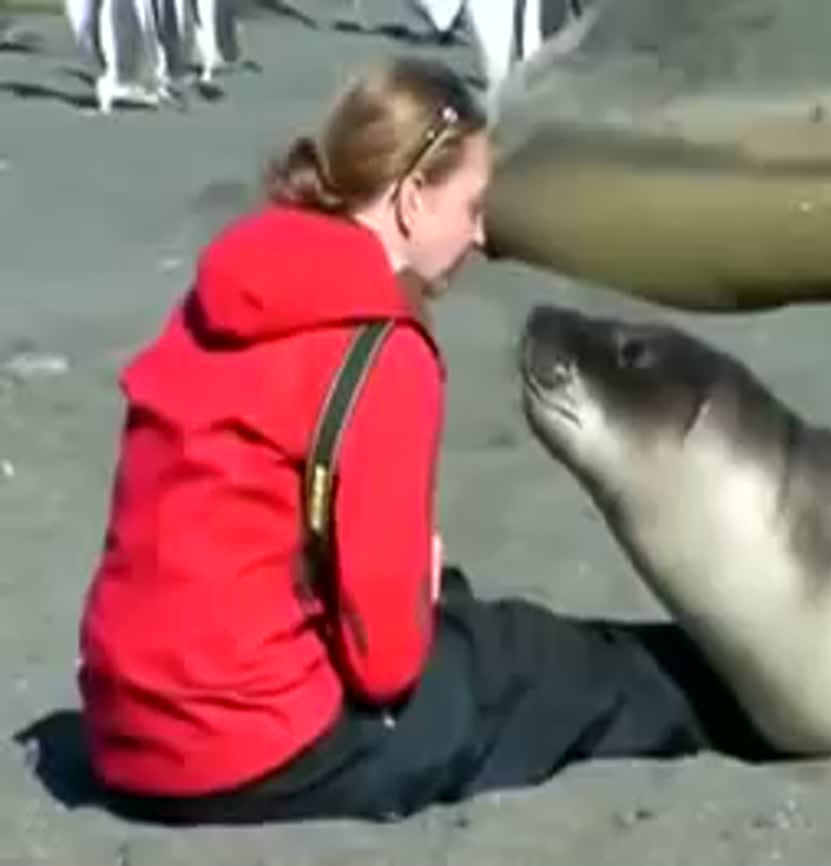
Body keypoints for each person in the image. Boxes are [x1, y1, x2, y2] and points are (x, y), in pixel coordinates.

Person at [76, 55, 773, 826]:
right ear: (410, 199)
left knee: (467, 619)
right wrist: (408, 590)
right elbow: (383, 668)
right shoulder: (382, 351)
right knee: (549, 664)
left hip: (126, 732)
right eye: (470, 205)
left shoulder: (222, 296)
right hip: (256, 751)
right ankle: (761, 704)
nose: (479, 235)